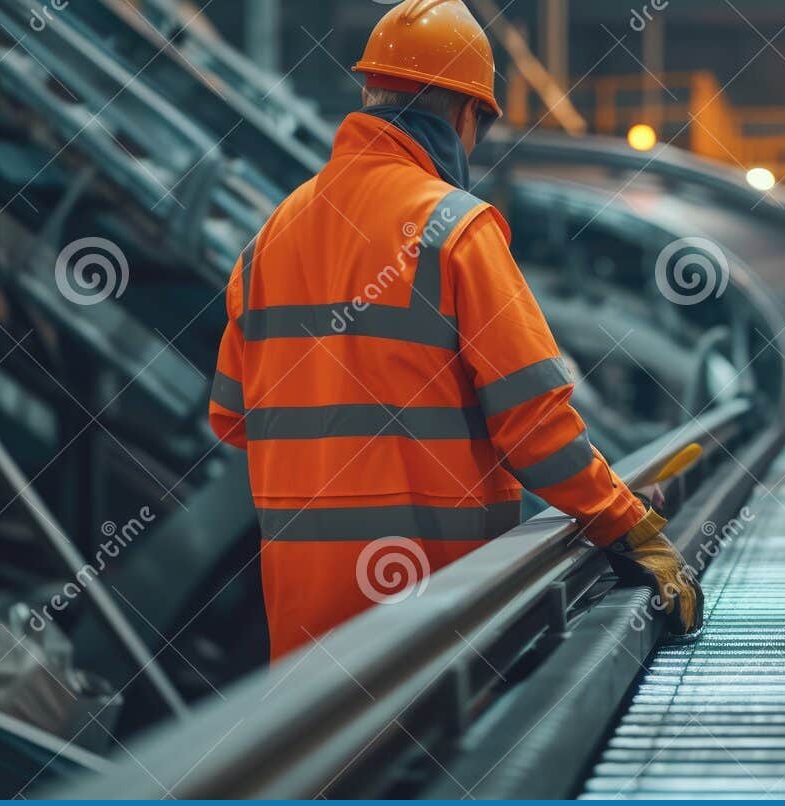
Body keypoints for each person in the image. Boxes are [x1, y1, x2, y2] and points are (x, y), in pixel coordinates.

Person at [208, 0, 701, 661]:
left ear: (371, 97)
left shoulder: (269, 239)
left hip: (304, 645)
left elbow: (232, 419)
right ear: (469, 115)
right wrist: (627, 524)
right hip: (434, 627)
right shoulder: (455, 229)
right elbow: (534, 428)